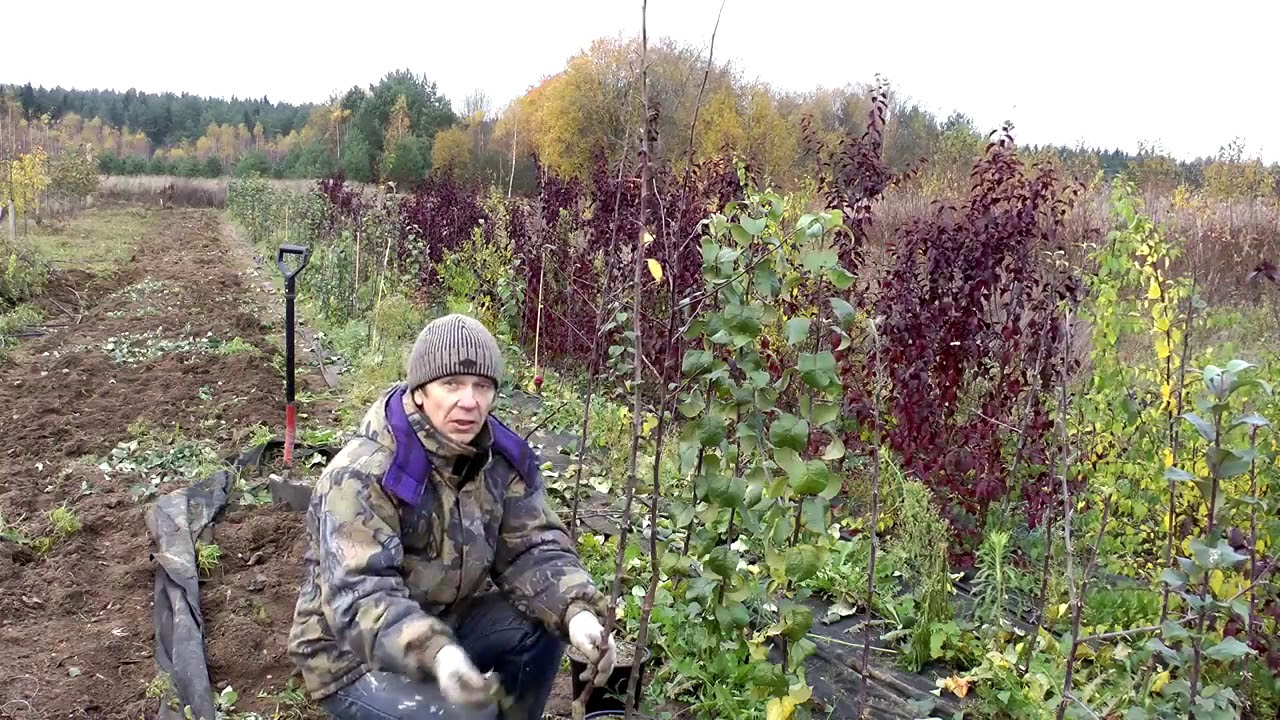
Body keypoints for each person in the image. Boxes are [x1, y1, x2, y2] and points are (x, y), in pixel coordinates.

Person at [288, 313, 617, 720]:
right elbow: (361, 596)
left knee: (544, 628)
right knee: (469, 715)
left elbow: (532, 548)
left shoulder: (497, 459)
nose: (469, 401)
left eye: (482, 386)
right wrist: (439, 654)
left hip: (442, 623)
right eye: (452, 384)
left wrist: (577, 611)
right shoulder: (363, 474)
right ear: (421, 392)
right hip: (351, 657)